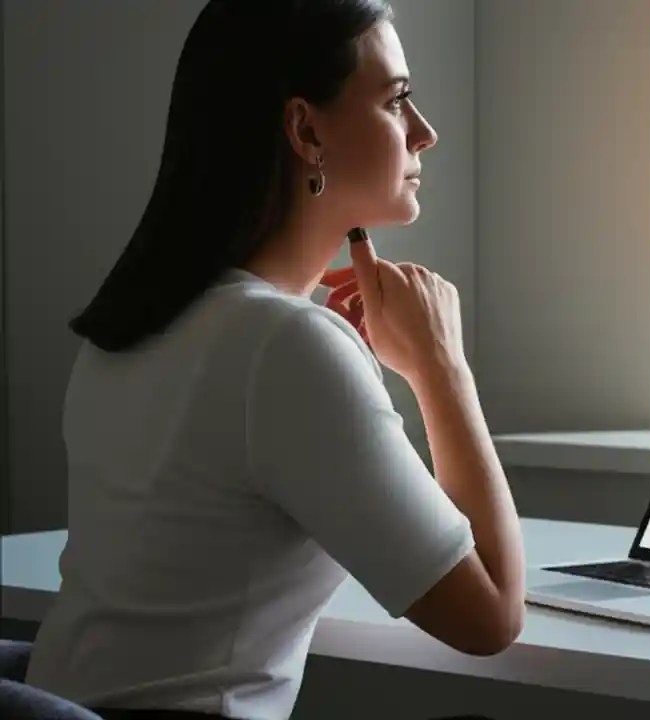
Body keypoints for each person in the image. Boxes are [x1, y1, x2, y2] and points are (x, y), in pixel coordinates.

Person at [22, 1, 525, 718]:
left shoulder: (136, 324)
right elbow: (491, 619)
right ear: (305, 129)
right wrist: (443, 369)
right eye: (397, 100)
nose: (426, 133)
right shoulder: (287, 347)